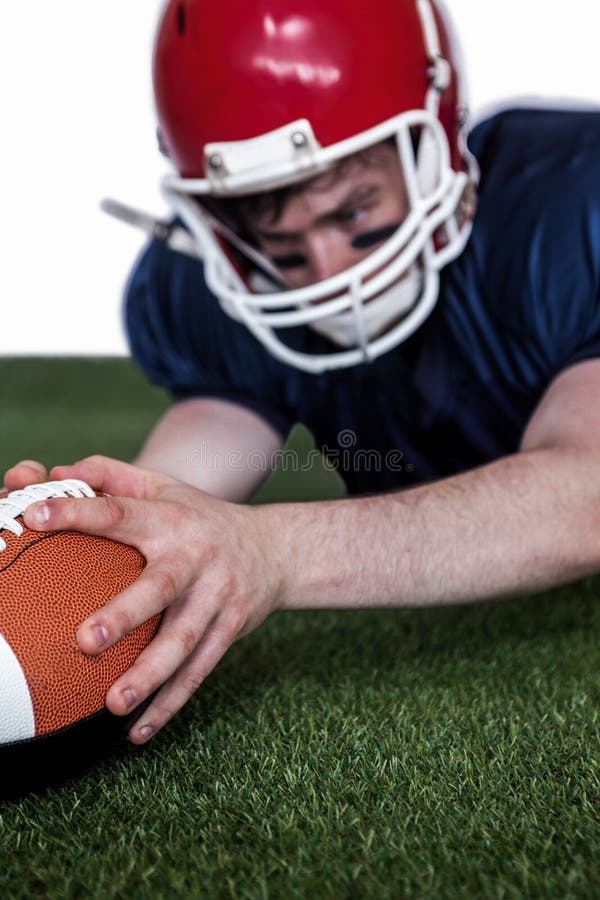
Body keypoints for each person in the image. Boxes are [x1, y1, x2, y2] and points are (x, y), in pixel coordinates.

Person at [5, 0, 600, 745]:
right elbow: (188, 481)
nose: (324, 274)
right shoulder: (209, 288)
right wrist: (87, 525)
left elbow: (587, 493)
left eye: (354, 211)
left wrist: (273, 549)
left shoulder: (572, 206)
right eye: (278, 242)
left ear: (438, 135)